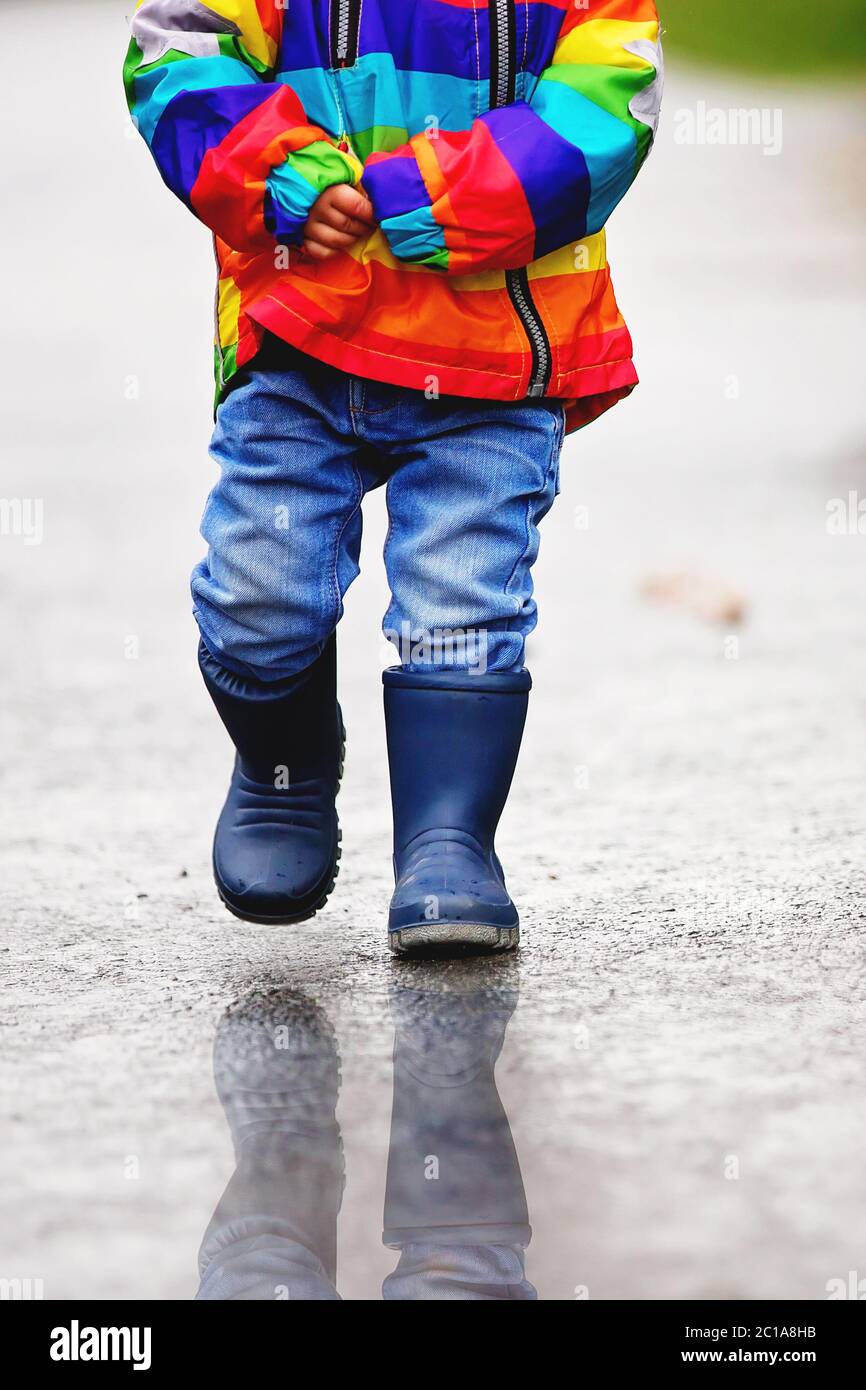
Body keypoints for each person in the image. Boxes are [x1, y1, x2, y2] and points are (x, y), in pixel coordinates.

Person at [123, 0, 663, 954]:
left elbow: (609, 105)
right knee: (258, 588)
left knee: (463, 602)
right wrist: (280, 170)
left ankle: (447, 842)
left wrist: (450, 195)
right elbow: (179, 50)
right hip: (301, 333)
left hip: (492, 356)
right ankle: (282, 764)